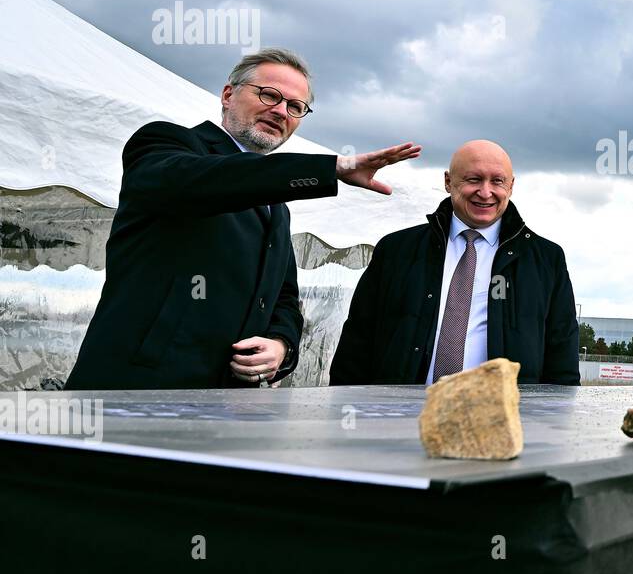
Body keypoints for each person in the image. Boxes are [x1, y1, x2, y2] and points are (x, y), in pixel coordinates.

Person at [65, 49, 420, 390]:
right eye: (269, 96)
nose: (281, 111)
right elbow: (200, 181)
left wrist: (281, 346)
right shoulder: (166, 143)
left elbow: (284, 298)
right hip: (134, 391)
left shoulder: (275, 205)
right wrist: (331, 167)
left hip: (227, 405)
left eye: (295, 107)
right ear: (227, 94)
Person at [329, 140, 579, 386]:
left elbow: (562, 359)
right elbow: (356, 344)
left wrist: (554, 421)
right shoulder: (396, 251)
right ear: (448, 182)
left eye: (497, 181)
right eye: (473, 179)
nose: (485, 192)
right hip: (398, 416)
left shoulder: (547, 260)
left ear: (511, 186)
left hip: (504, 419)